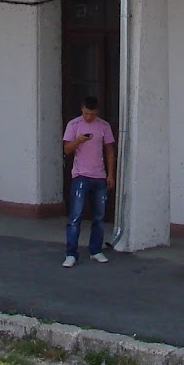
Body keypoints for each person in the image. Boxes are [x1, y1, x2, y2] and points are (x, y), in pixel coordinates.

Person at [61, 96, 116, 267]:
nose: (88, 117)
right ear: (81, 110)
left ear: (96, 112)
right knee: (75, 216)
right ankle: (71, 253)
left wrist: (110, 174)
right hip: (80, 175)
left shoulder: (103, 126)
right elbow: (67, 150)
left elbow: (109, 151)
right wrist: (78, 140)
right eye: (85, 113)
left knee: (99, 216)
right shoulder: (74, 124)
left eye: (91, 114)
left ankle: (95, 250)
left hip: (99, 176)